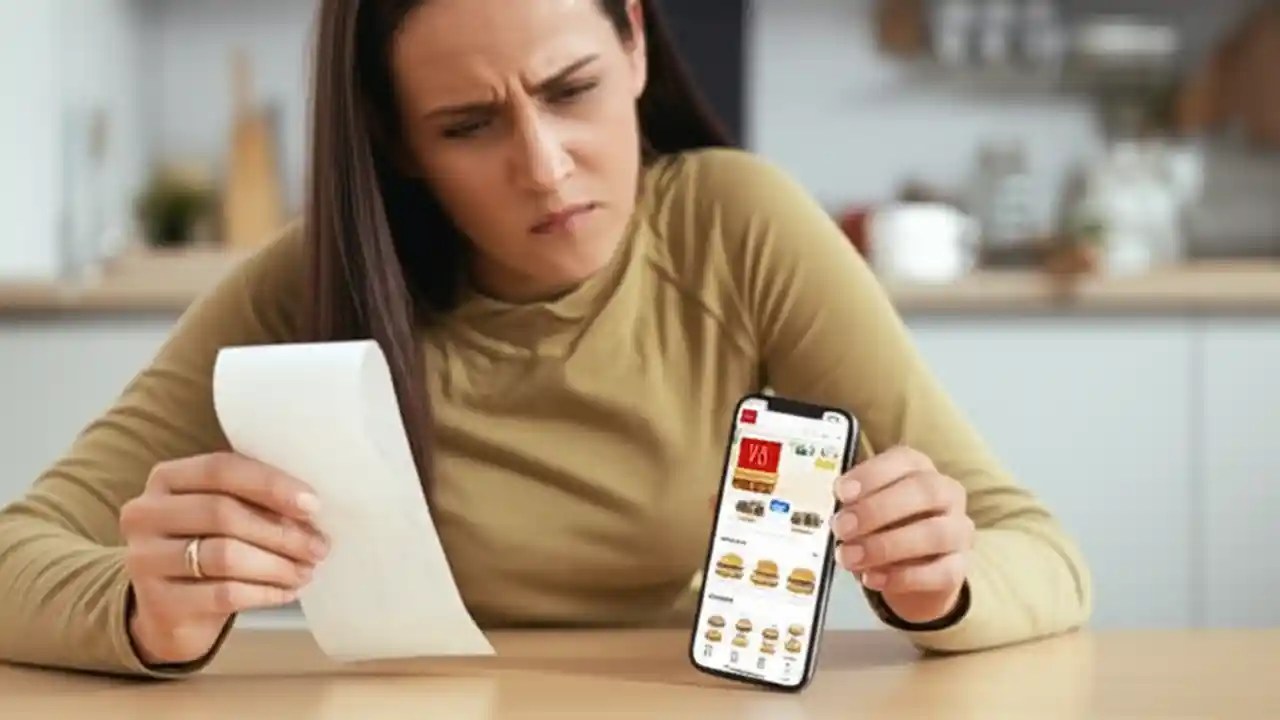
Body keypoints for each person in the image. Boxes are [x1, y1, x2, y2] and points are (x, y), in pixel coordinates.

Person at [0, 0, 1091, 678]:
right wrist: (145, 615)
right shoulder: (311, 283)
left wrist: (938, 584)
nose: (545, 167)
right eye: (467, 126)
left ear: (632, 41)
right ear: (396, 142)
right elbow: (16, 560)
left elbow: (1037, 554)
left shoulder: (738, 226)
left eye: (570, 91)